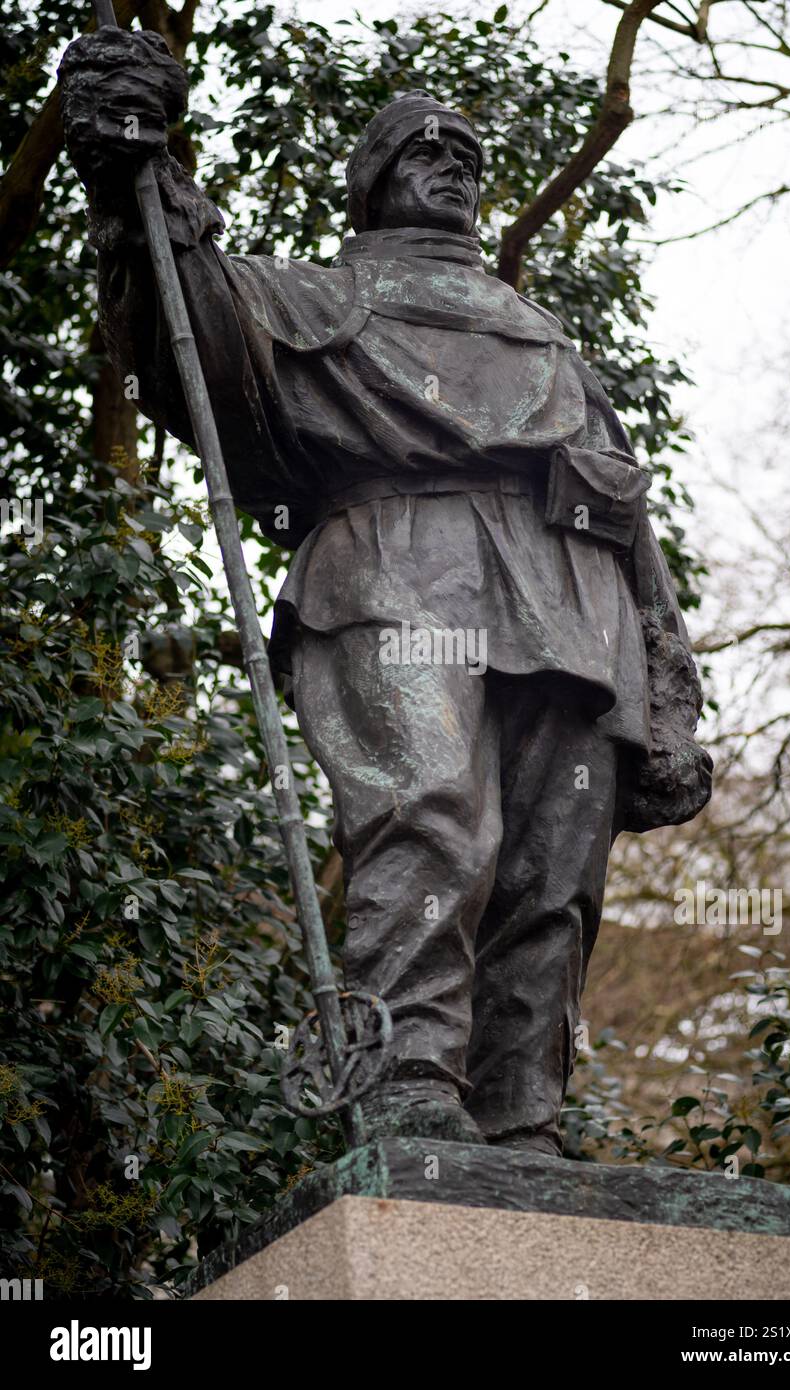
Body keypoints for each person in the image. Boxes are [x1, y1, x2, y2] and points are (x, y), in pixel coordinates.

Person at [59, 27, 711, 1156]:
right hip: (397, 573)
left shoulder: (552, 345)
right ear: (370, 181)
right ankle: (407, 1071)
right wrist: (133, 179)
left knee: (554, 865)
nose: (453, 159)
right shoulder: (307, 297)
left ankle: (519, 1112)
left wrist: (667, 691)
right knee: (431, 821)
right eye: (423, 146)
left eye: (467, 149)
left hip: (568, 599)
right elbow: (182, 321)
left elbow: (630, 524)